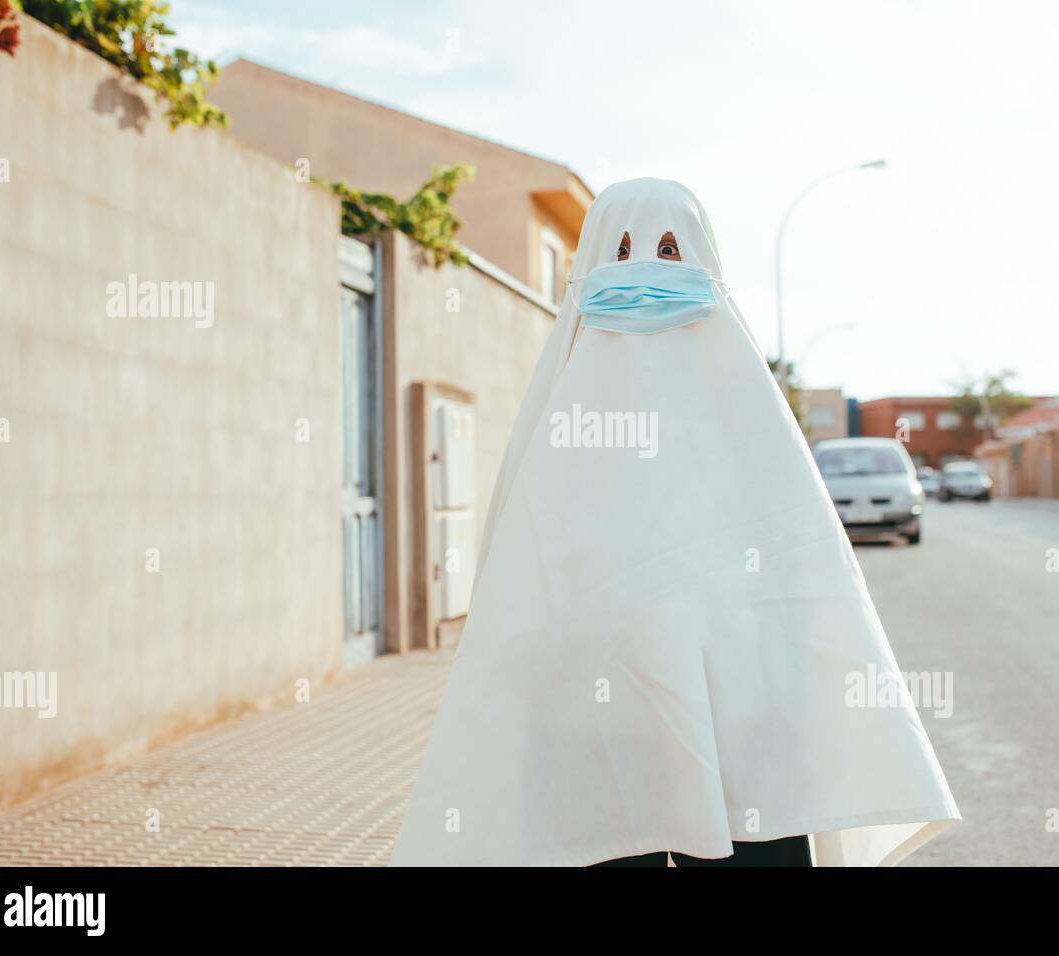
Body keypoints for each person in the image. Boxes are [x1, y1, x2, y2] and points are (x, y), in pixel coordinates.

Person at [388, 178, 960, 867]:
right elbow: (517, 583)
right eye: (622, 250)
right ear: (587, 267)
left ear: (707, 266)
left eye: (667, 249)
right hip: (589, 733)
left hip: (744, 732)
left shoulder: (753, 421)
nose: (644, 275)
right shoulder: (554, 424)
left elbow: (807, 576)